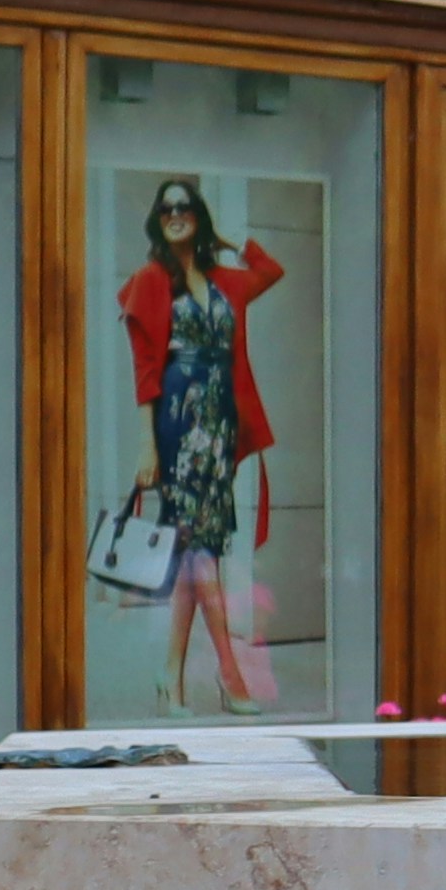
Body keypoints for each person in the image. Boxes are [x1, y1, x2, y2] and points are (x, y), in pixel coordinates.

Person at [116, 175, 284, 710]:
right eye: (166, 208)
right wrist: (147, 445)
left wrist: (231, 240)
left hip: (218, 429)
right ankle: (231, 677)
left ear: (198, 215)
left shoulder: (223, 281)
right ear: (156, 219)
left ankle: (171, 676)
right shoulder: (148, 280)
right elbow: (145, 371)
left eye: (185, 207)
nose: (175, 215)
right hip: (177, 423)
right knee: (199, 550)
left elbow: (270, 271)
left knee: (198, 551)